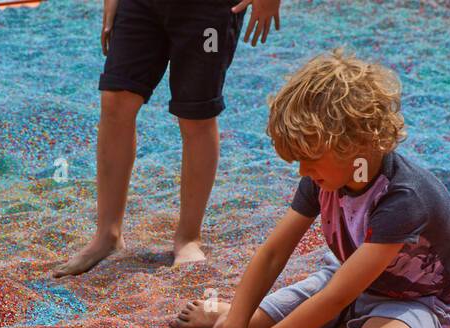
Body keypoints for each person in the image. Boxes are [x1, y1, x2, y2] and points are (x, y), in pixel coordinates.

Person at [172, 50, 450, 328]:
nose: (302, 171)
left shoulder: (404, 198)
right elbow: (272, 254)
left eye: (309, 159)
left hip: (415, 298)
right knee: (225, 326)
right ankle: (297, 323)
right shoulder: (323, 177)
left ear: (358, 143)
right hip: (341, 278)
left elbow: (335, 296)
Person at [52, 0, 282, 275]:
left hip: (210, 9)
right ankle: (107, 235)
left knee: (196, 114)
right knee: (115, 100)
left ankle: (188, 237)